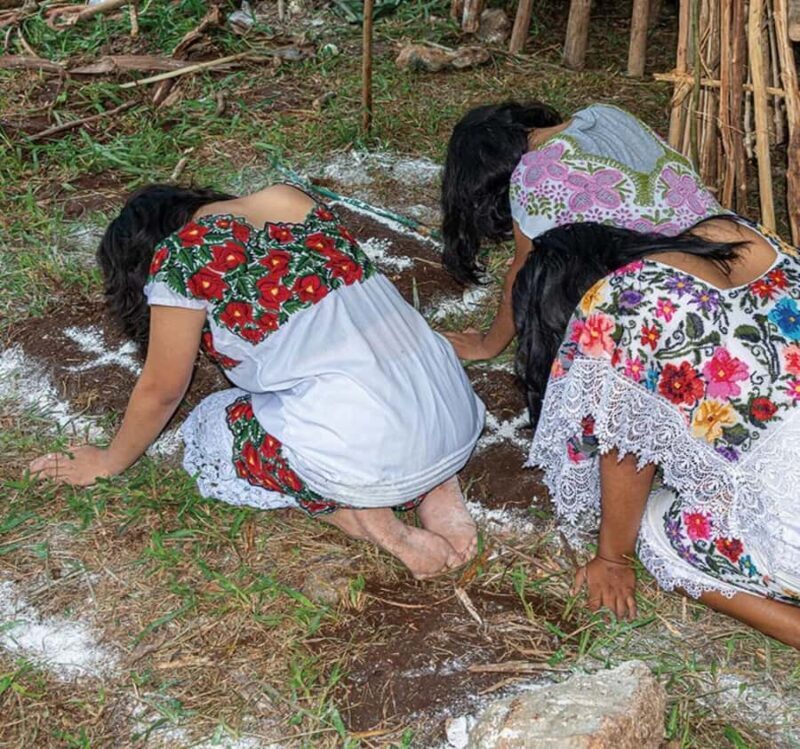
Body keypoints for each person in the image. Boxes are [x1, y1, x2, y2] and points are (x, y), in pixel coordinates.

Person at [29, 183, 485, 580]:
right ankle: (438, 486)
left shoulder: (181, 256)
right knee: (372, 391)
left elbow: (164, 388)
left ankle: (372, 522)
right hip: (447, 402)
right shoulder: (288, 198)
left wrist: (110, 460)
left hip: (370, 440)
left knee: (221, 426)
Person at [513, 218, 800, 648]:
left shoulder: (618, 301)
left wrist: (612, 558)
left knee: (654, 525)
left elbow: (625, 439)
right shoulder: (731, 232)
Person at [440, 101, 728, 361]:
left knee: (549, 282)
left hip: (690, 313)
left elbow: (522, 272)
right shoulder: (607, 114)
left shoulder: (535, 174)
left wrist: (487, 346)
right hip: (738, 263)